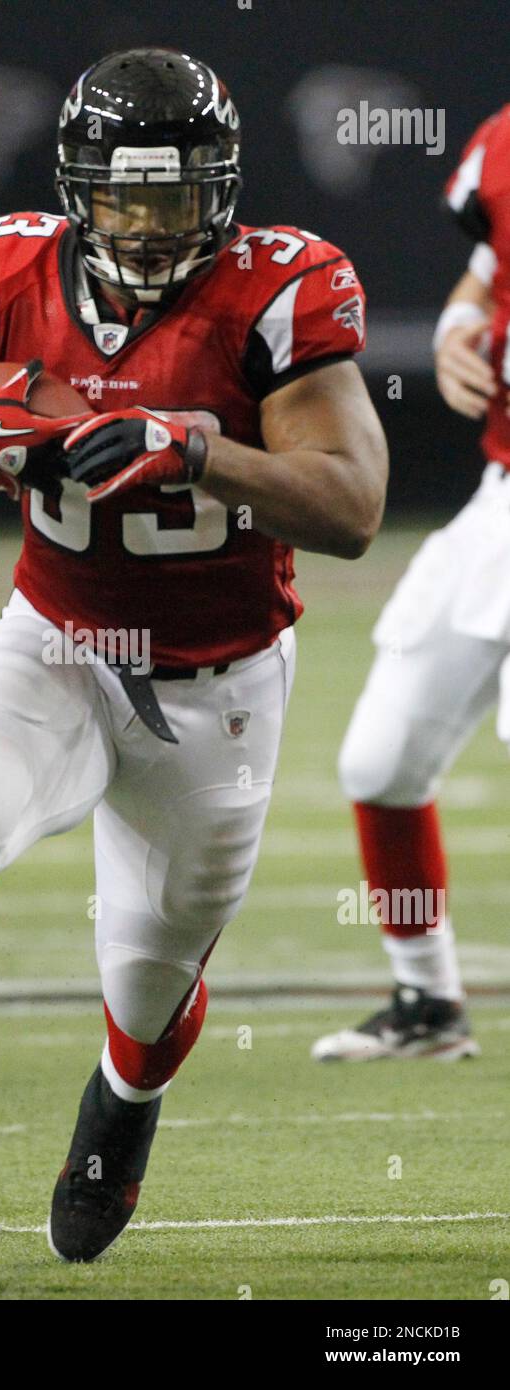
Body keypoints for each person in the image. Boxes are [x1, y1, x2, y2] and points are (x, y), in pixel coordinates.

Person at [0, 48, 387, 1261]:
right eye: (126, 197)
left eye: (175, 197)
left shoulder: (281, 288)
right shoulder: (4, 269)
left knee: (150, 980)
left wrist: (197, 452)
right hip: (57, 636)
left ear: (221, 191)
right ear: (78, 190)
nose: (150, 226)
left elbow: (351, 505)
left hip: (220, 681)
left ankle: (123, 1101)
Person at [313, 106, 510, 1062]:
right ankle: (427, 1001)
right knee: (381, 762)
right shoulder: (502, 146)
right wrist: (462, 323)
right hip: (500, 498)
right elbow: (487, 265)